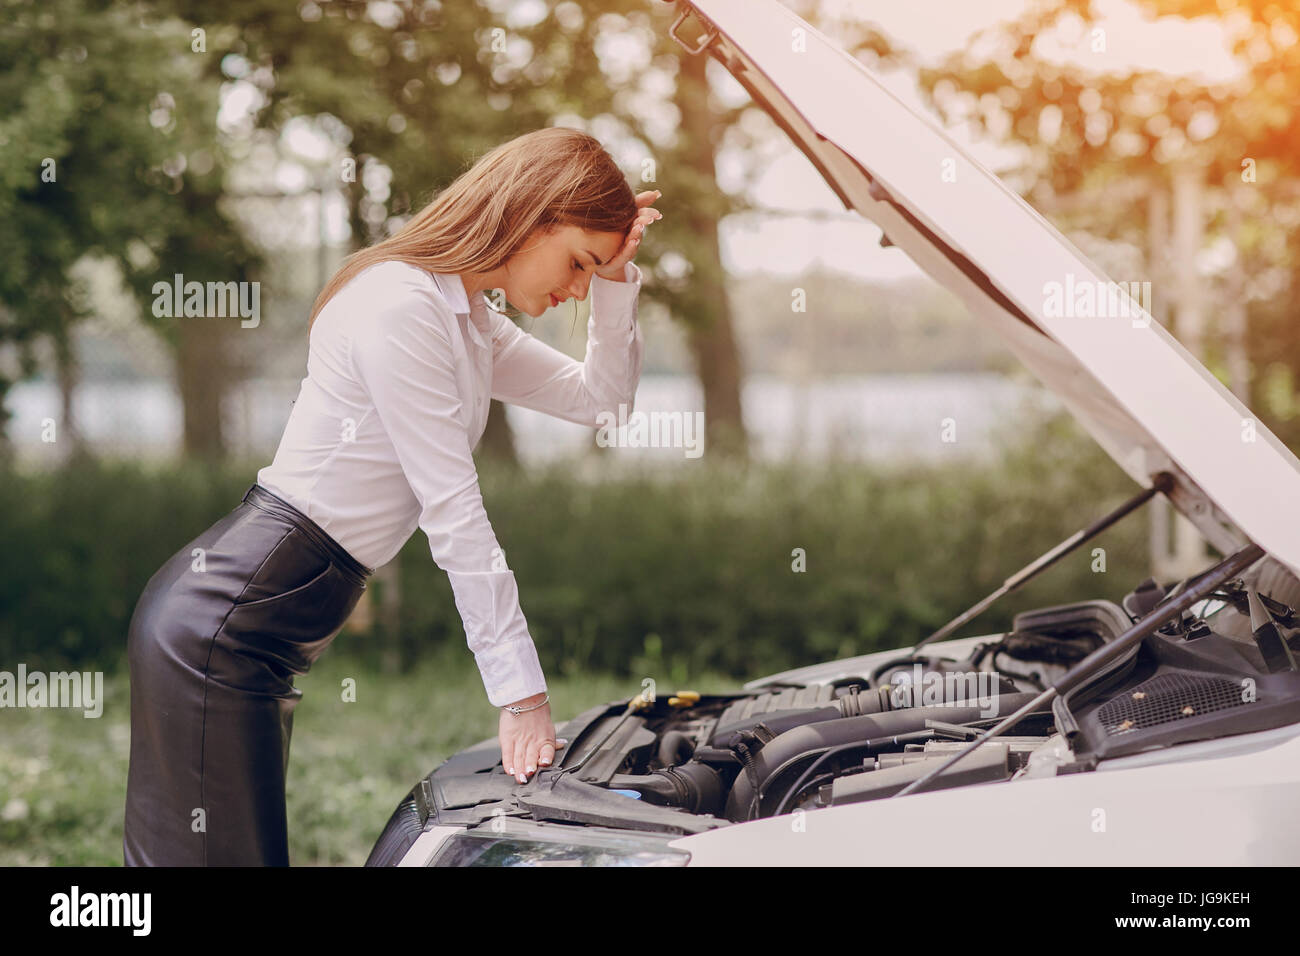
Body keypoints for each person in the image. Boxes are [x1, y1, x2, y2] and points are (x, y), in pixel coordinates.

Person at [123, 126, 663, 865]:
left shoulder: (468, 320)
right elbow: (454, 513)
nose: (573, 287)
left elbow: (603, 401)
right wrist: (521, 696)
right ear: (532, 214)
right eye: (577, 262)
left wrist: (614, 282)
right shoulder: (401, 307)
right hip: (222, 627)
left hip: (260, 632)